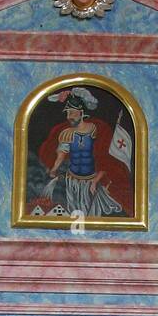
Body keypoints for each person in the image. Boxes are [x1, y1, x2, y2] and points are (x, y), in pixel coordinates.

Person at [36, 87, 131, 218]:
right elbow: (61, 155)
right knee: (72, 212)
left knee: (93, 214)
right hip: (72, 181)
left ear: (81, 113)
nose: (69, 117)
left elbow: (104, 159)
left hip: (91, 180)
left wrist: (96, 180)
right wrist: (54, 169)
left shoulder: (95, 129)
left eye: (73, 113)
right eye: (68, 113)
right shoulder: (66, 133)